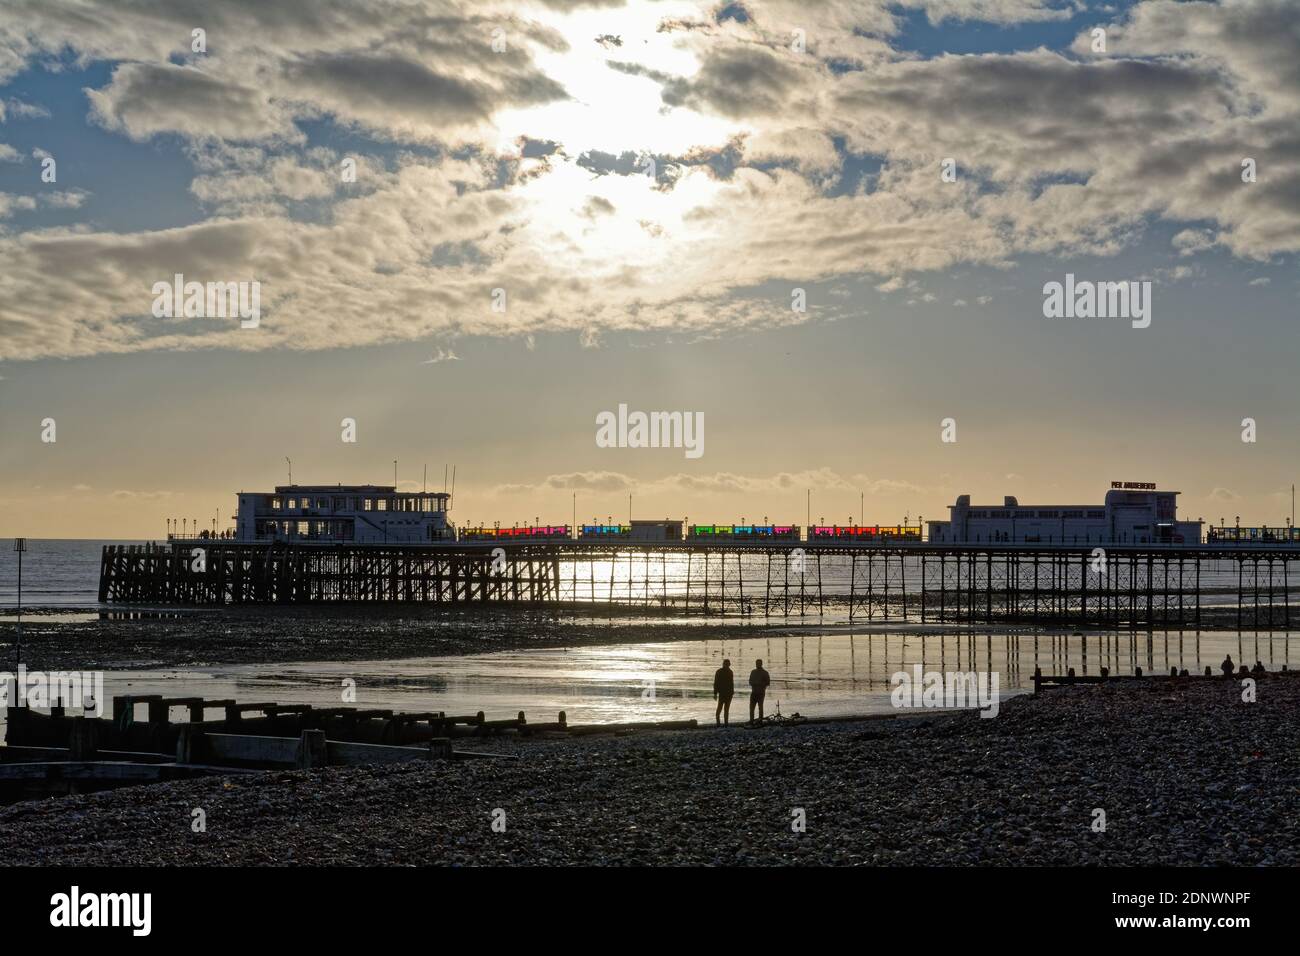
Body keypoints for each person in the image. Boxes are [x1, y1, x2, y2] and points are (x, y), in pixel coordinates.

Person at [748, 659, 771, 725]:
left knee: (760, 707)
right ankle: (751, 720)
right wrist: (753, 683)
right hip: (754, 692)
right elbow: (750, 681)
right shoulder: (753, 672)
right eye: (757, 663)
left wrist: (760, 684)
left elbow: (768, 682)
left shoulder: (765, 673)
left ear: (761, 664)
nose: (757, 664)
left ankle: (760, 720)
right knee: (751, 707)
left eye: (759, 663)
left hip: (761, 692)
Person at [713, 659, 734, 725]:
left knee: (725, 709)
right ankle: (719, 723)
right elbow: (716, 683)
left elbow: (731, 683)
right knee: (720, 708)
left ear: (729, 664)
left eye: (727, 664)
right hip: (722, 693)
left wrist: (732, 691)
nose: (727, 665)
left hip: (728, 693)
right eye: (726, 664)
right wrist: (715, 693)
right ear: (723, 664)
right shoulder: (720, 671)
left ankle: (725, 723)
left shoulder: (730, 672)